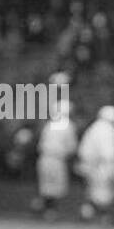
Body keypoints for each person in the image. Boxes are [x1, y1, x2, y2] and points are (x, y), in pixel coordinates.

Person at [77, 106, 114, 224]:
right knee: (103, 193)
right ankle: (105, 218)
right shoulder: (106, 129)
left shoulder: (94, 127)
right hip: (101, 165)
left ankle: (87, 214)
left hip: (91, 164)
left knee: (93, 191)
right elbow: (108, 153)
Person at [32, 89, 76, 221]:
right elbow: (72, 146)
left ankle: (41, 207)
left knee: (46, 186)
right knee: (55, 187)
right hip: (57, 160)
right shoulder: (67, 125)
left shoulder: (49, 125)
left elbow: (40, 144)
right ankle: (49, 211)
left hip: (44, 158)